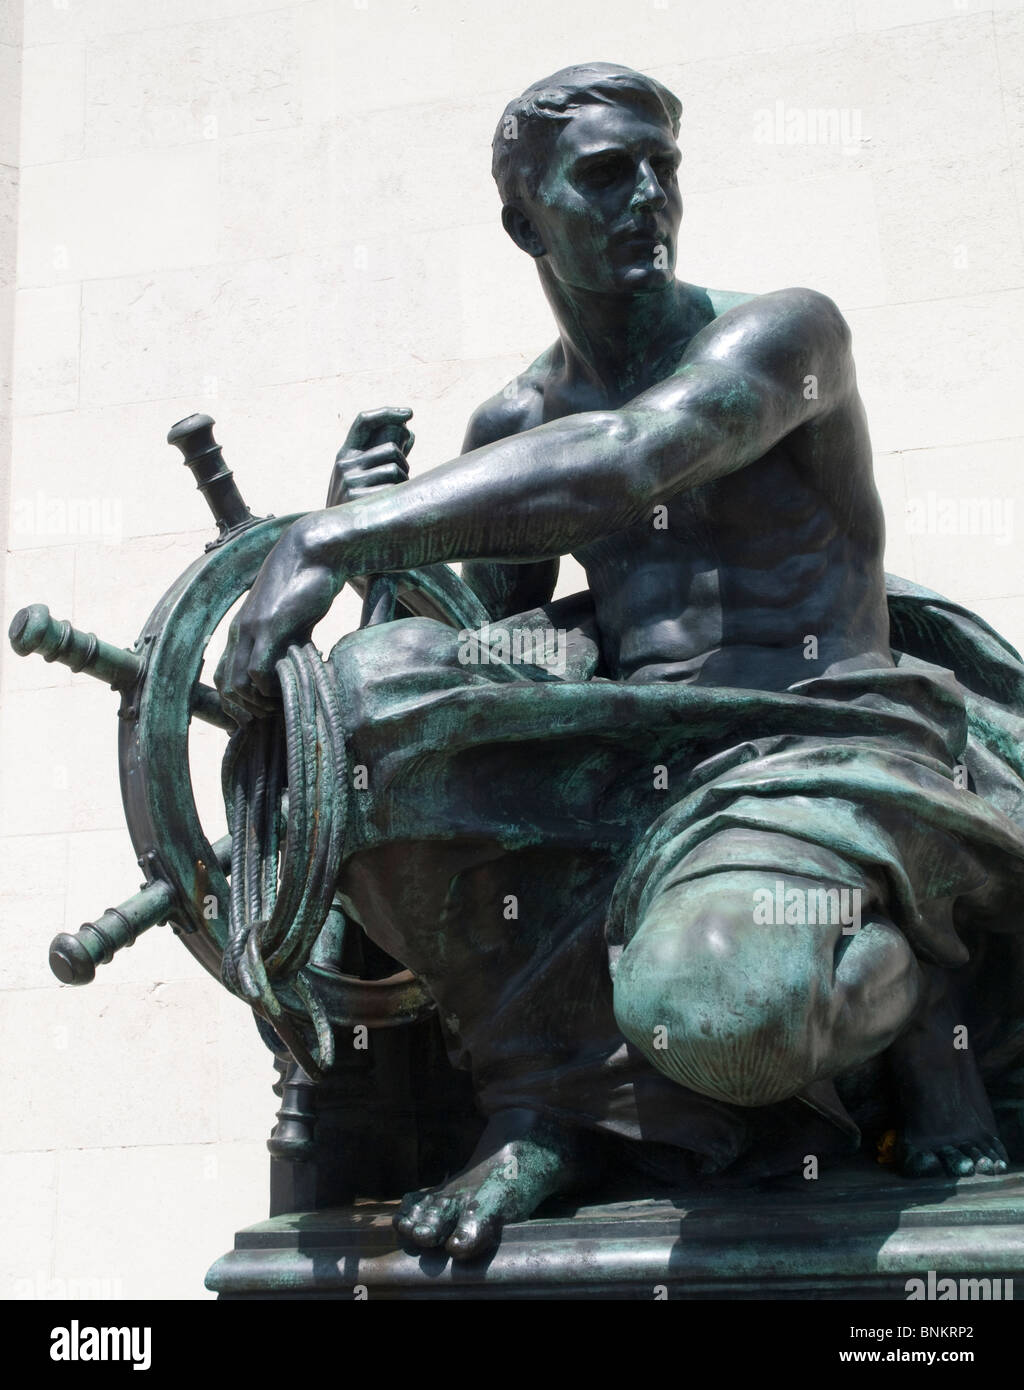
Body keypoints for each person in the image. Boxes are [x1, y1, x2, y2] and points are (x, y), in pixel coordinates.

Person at [217, 64, 1024, 1259]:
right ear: (523, 218)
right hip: (627, 764)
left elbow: (637, 456)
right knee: (377, 712)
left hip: (816, 747)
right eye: (604, 175)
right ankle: (548, 1109)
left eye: (663, 169)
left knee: (725, 1020)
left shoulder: (786, 334)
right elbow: (482, 662)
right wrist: (381, 585)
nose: (646, 195)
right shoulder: (510, 427)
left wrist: (333, 538)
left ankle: (918, 1001)